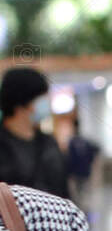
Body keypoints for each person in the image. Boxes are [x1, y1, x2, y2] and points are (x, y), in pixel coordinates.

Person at [0, 68, 70, 198]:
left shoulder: (49, 143)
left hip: (53, 217)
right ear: (24, 101)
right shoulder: (3, 146)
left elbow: (64, 192)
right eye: (43, 97)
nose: (48, 102)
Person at [64, 111, 102, 209]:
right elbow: (94, 152)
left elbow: (69, 158)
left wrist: (69, 171)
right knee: (84, 191)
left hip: (76, 171)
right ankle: (83, 206)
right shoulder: (85, 141)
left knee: (78, 191)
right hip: (84, 171)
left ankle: (79, 206)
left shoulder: (72, 142)